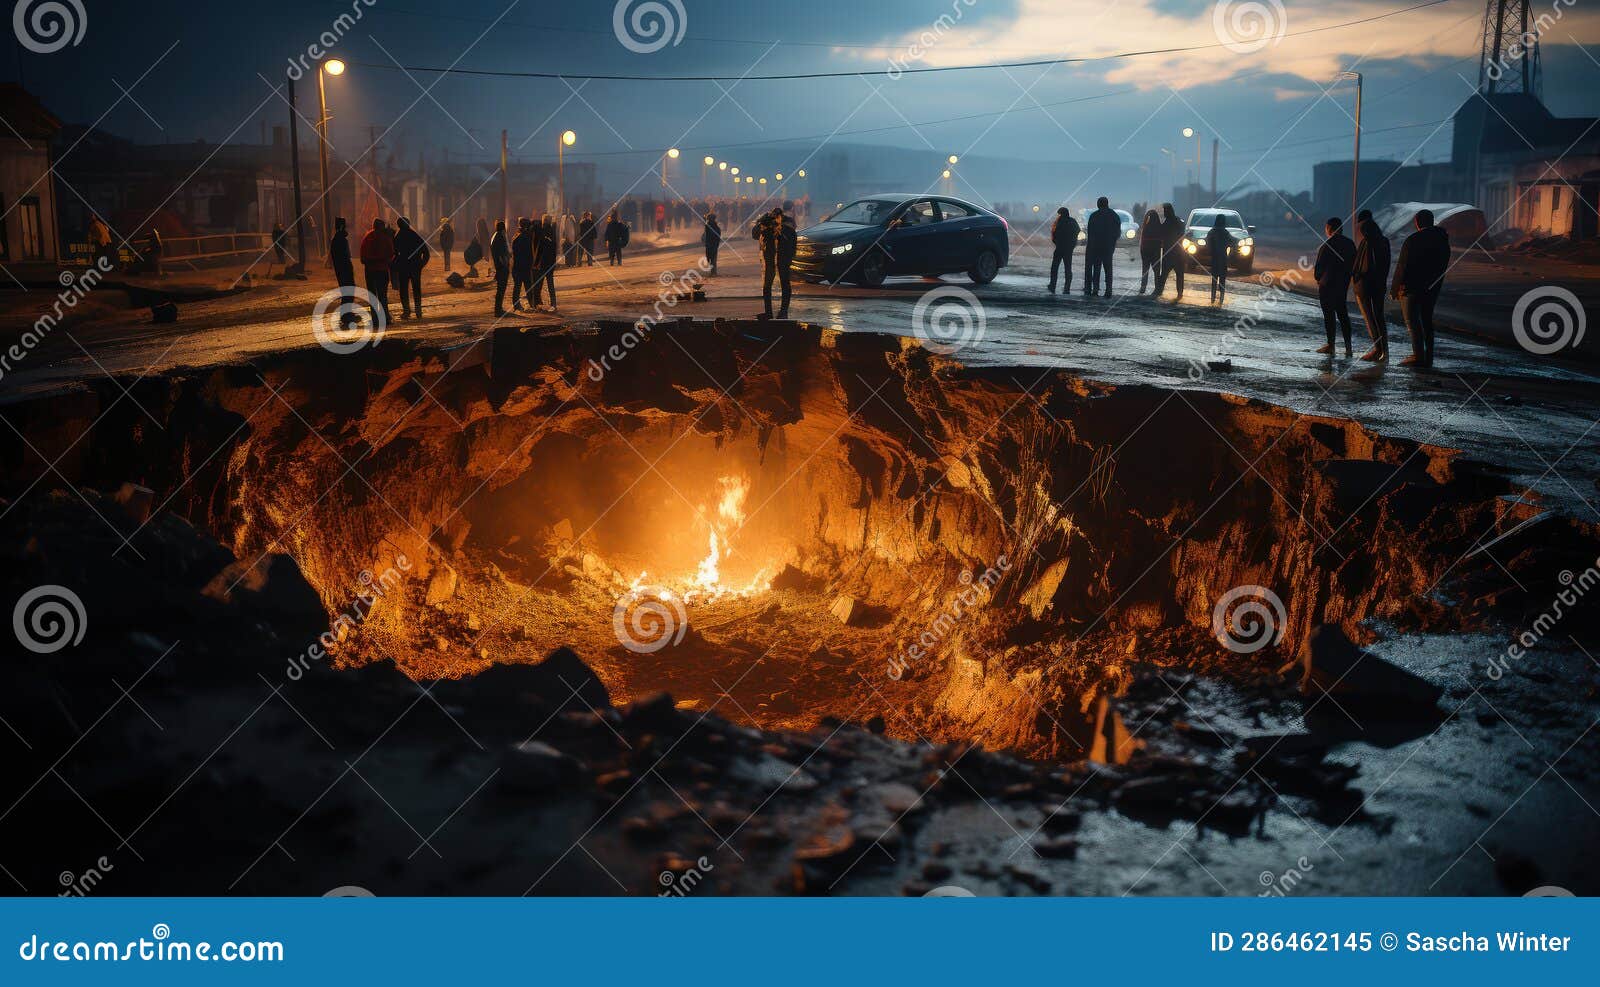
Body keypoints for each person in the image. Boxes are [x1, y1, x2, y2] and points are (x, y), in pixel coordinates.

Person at [1390, 209, 1450, 368]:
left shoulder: (1413, 240)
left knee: (1412, 321)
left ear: (1417, 223)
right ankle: (1428, 355)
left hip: (1412, 288)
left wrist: (1395, 288)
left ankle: (1418, 355)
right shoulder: (1442, 240)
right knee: (1426, 320)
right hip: (1432, 287)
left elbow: (1403, 266)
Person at [1352, 209, 1392, 361]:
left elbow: (1364, 266)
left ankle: (1378, 350)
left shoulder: (1368, 242)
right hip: (1378, 286)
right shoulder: (1383, 241)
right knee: (1379, 317)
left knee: (1371, 319)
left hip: (1366, 287)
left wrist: (1357, 276)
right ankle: (1383, 351)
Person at [1313, 216, 1356, 356]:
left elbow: (1318, 270)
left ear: (1329, 229)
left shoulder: (1327, 245)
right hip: (1342, 285)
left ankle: (1331, 345)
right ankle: (1348, 347)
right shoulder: (1350, 244)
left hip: (1327, 286)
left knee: (1329, 316)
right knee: (1343, 315)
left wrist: (1319, 279)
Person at [753, 205, 797, 319]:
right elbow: (754, 234)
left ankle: (783, 312)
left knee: (784, 284)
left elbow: (792, 242)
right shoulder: (766, 225)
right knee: (767, 286)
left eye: (777, 218)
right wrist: (763, 224)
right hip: (769, 260)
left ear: (781, 217)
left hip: (783, 259)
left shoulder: (788, 227)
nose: (775, 221)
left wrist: (779, 229)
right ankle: (769, 312)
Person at [391, 217, 429, 319]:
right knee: (416, 289)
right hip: (415, 266)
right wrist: (421, 264)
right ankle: (418, 311)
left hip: (403, 266)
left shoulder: (398, 237)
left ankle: (406, 311)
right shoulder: (415, 235)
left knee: (403, 289)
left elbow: (393, 253)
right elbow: (426, 252)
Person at [359, 218, 395, 325]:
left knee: (372, 295)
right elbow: (391, 253)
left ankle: (375, 319)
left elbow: (362, 257)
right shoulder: (385, 238)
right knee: (382, 295)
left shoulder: (367, 237)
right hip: (382, 270)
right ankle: (385, 317)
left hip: (370, 271)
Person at [1084, 197, 1119, 296]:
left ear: (1098, 204)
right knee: (1108, 269)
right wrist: (1112, 244)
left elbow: (1090, 233)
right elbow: (1117, 233)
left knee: (1096, 268)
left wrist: (1090, 247)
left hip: (1095, 247)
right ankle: (1108, 290)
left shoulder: (1094, 216)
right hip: (1108, 247)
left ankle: (1095, 289)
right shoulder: (1114, 216)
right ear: (1107, 203)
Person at [329, 217, 357, 326]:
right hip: (344, 270)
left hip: (342, 270)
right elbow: (344, 257)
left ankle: (347, 313)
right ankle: (346, 315)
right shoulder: (340, 240)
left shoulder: (337, 239)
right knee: (348, 292)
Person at [1156, 203, 1185, 299]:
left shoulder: (1167, 222)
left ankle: (1159, 291)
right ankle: (1180, 293)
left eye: (1164, 210)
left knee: (1164, 274)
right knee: (1179, 275)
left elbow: (1160, 233)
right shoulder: (1179, 221)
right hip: (1179, 252)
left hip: (1168, 253)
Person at [1047, 207, 1078, 294]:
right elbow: (1078, 231)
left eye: (1059, 214)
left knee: (1054, 267)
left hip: (1060, 248)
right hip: (1068, 249)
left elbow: (1054, 233)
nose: (1058, 216)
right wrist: (1073, 243)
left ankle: (1052, 285)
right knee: (1068, 268)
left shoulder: (1059, 222)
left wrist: (1056, 242)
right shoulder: (1073, 221)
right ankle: (1067, 288)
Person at [1203, 214, 1233, 304]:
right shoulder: (1225, 233)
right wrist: (1229, 255)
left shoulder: (1212, 232)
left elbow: (1207, 243)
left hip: (1214, 258)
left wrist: (1210, 251)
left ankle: (1212, 298)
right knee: (1222, 280)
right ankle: (1221, 299)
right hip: (1223, 258)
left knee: (1214, 279)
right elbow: (1231, 243)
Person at [533, 213, 559, 310]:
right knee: (550, 284)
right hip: (550, 262)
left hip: (543, 263)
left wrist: (536, 263)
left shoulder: (542, 231)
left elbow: (540, 249)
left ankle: (538, 303)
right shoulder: (552, 231)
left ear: (544, 221)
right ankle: (553, 303)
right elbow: (553, 248)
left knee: (539, 284)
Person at [1138, 208, 1163, 295]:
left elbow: (1142, 240)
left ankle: (1143, 287)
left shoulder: (1146, 227)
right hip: (1155, 251)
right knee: (1156, 271)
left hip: (1145, 251)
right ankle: (1157, 288)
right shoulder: (1160, 227)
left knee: (1145, 270)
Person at [510, 217, 534, 311]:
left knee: (517, 287)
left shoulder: (516, 235)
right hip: (524, 266)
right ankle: (532, 304)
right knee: (527, 286)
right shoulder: (525, 237)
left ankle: (517, 305)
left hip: (517, 265)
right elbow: (529, 252)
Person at [490, 220, 511, 317]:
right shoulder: (500, 237)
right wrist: (505, 264)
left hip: (499, 266)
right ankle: (498, 310)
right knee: (501, 289)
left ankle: (498, 308)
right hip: (501, 267)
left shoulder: (495, 236)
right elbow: (501, 253)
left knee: (500, 289)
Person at [702, 210, 722, 275]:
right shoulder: (715, 226)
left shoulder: (708, 226)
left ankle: (713, 271)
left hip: (710, 244)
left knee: (710, 258)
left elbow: (705, 235)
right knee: (712, 258)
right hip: (713, 244)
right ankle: (713, 271)